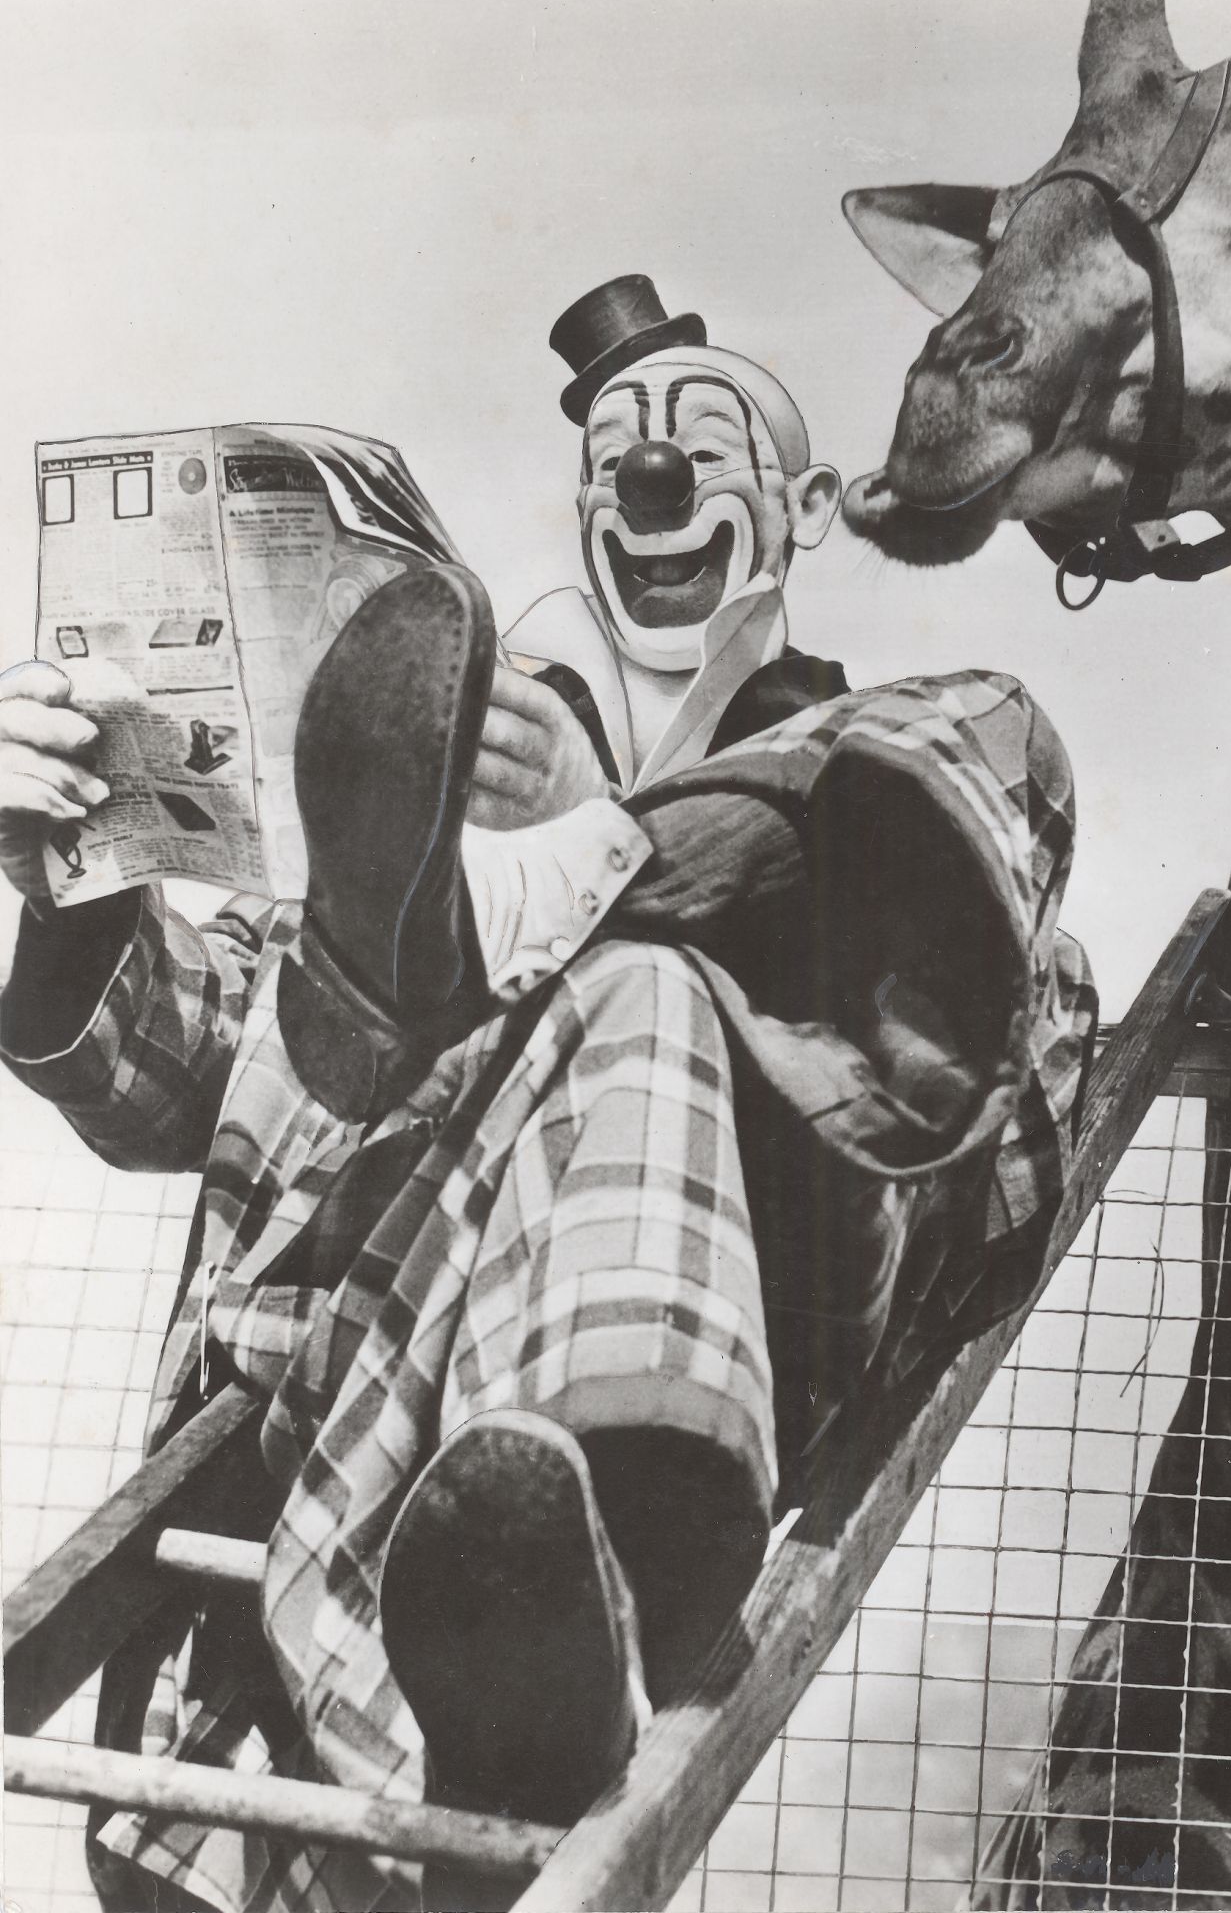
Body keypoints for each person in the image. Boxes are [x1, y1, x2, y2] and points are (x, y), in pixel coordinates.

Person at [0, 278, 1095, 1913]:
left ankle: (603, 894)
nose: (648, 476)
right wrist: (74, 885)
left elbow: (989, 1159)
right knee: (532, 976)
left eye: (701, 443)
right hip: (353, 1443)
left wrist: (623, 860)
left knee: (862, 832)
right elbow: (177, 1075)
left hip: (714, 1378)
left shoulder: (899, 818)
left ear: (801, 509)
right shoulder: (413, 809)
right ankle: (519, 1665)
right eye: (614, 457)